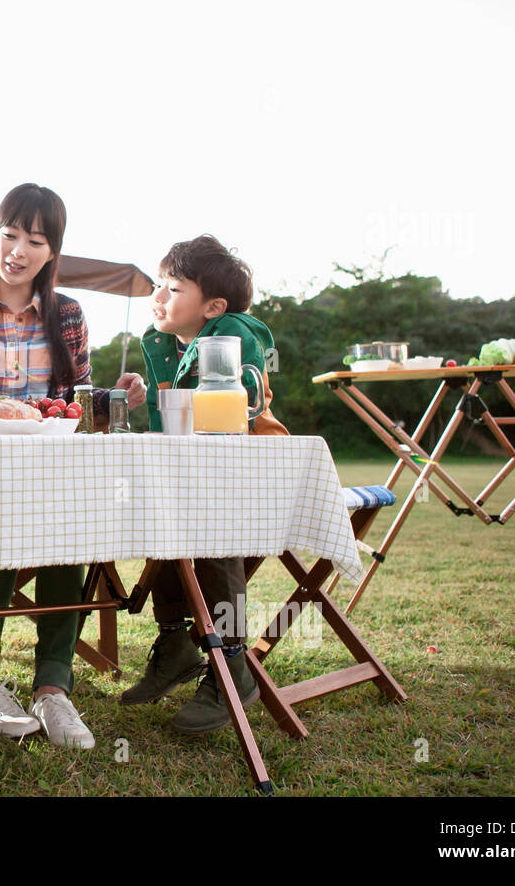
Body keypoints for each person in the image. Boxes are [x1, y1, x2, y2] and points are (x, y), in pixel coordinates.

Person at [0, 182, 148, 749]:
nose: (17, 249)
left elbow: (78, 405)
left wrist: (116, 398)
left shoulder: (67, 314)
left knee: (69, 527)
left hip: (49, 477)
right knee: (2, 520)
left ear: (52, 252)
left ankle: (53, 688)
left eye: (34, 240)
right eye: (9, 234)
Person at [120, 234, 288, 734]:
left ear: (212, 307)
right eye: (158, 285)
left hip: (249, 478)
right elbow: (167, 430)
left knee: (213, 529)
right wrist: (144, 401)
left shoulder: (232, 332)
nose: (158, 296)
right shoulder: (162, 344)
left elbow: (244, 396)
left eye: (172, 288)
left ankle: (232, 665)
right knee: (165, 518)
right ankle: (175, 643)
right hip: (190, 478)